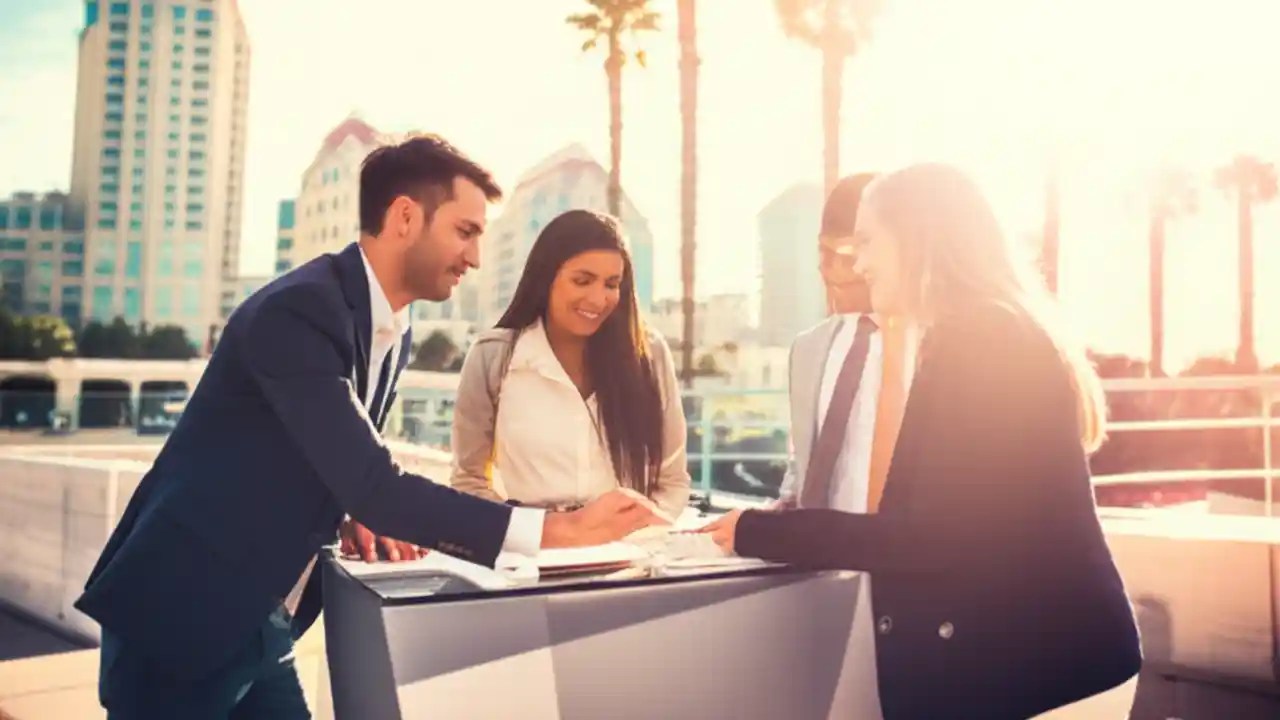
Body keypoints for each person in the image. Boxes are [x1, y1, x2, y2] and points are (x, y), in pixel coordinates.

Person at [76, 136, 660, 719]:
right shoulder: (299, 312)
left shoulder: (392, 330)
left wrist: (346, 510)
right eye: (465, 231)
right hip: (183, 615)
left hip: (263, 623)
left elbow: (326, 455)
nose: (476, 257)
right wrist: (562, 530)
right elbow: (377, 483)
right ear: (406, 216)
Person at [701, 163, 1142, 719]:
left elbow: (927, 538)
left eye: (866, 241)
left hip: (1045, 675)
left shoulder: (979, 337)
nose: (857, 263)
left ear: (916, 240)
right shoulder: (988, 327)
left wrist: (758, 531)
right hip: (1053, 664)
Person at [451, 209, 690, 520]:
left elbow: (672, 483)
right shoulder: (493, 356)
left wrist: (638, 532)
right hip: (534, 551)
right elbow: (468, 481)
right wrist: (539, 531)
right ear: (546, 277)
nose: (598, 298)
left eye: (611, 283)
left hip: (631, 551)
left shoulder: (650, 353)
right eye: (582, 280)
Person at [772, 172, 915, 514]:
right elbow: (803, 466)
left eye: (849, 255)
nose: (834, 270)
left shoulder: (934, 347)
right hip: (818, 562)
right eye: (824, 252)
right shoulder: (808, 349)